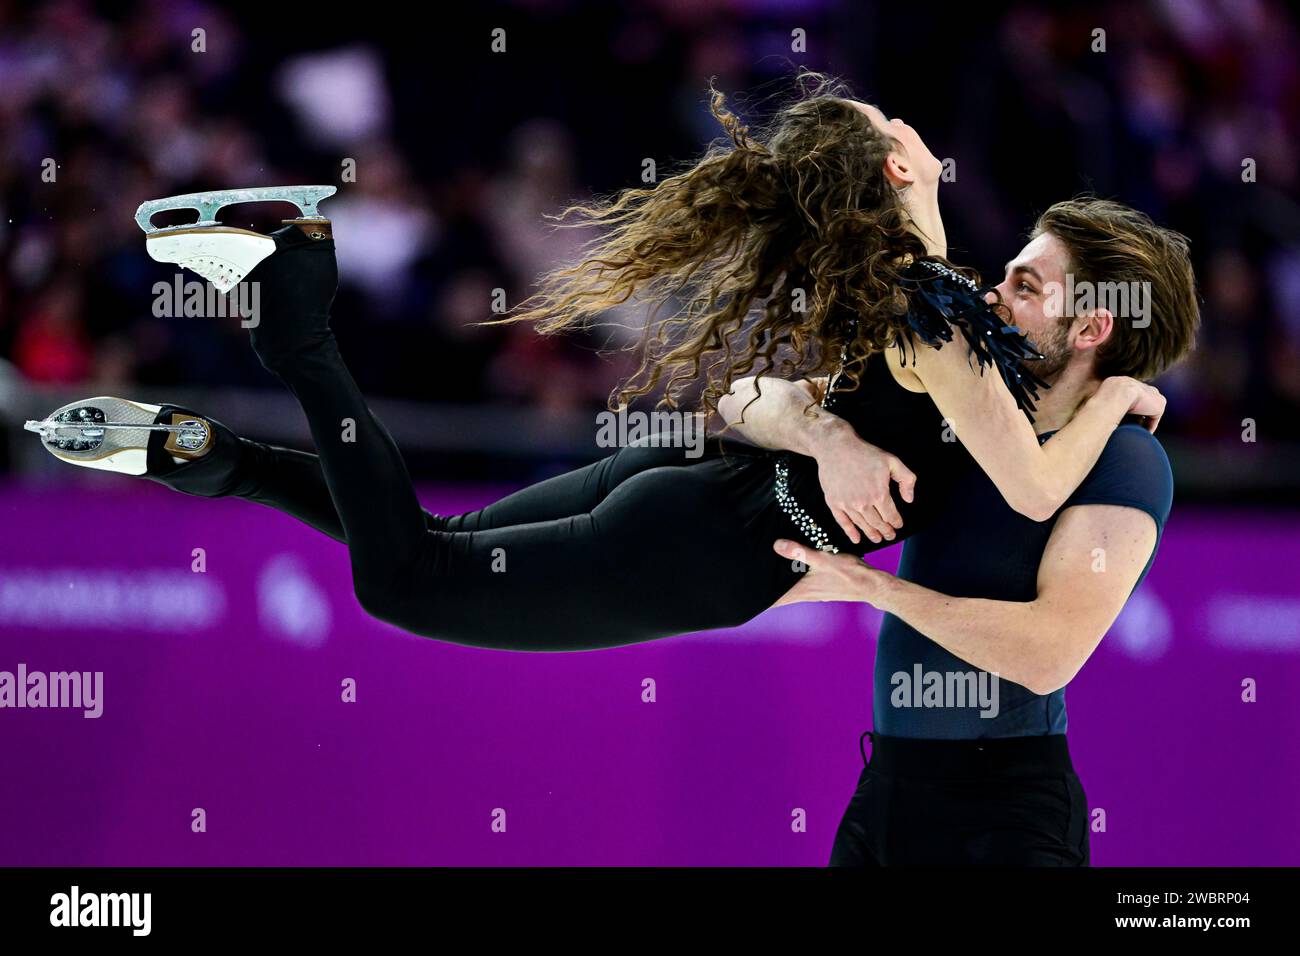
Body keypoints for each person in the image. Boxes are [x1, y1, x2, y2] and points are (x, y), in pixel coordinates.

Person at [29, 74, 1168, 651]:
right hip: (710, 546)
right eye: (1013, 264)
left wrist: (908, 209)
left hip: (692, 495)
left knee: (425, 544)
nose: (1005, 278)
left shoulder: (931, 294)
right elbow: (1025, 480)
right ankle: (300, 327)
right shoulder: (957, 325)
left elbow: (788, 374)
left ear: (1090, 316)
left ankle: (215, 457)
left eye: (1032, 276)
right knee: (403, 581)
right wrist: (1115, 394)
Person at [722, 198, 1199, 865]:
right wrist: (827, 438)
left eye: (1024, 287)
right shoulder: (966, 403)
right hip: (886, 792)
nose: (990, 296)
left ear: (1091, 327)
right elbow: (743, 398)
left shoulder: (1126, 459)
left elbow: (1048, 654)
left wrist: (873, 589)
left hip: (1003, 815)